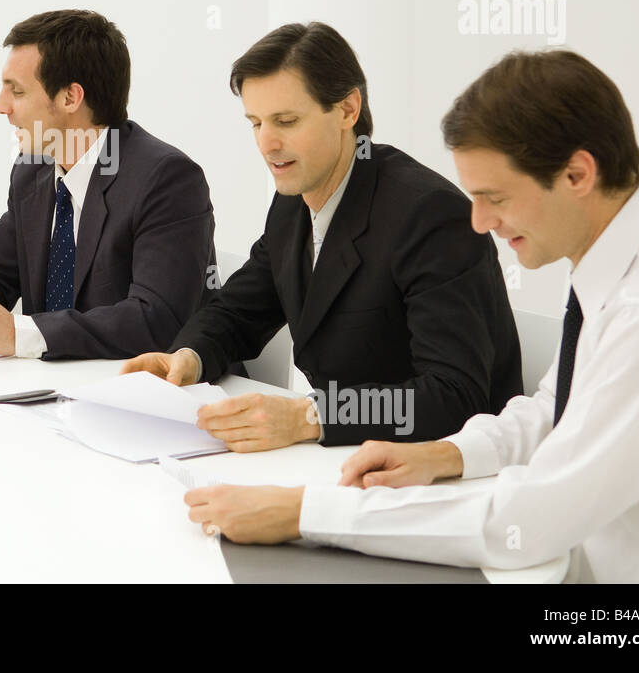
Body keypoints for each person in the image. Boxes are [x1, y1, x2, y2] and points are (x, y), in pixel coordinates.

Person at [183, 49, 639, 582]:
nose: (480, 222)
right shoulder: (622, 258)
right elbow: (557, 409)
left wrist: (303, 513)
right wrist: (447, 454)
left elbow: (529, 519)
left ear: (577, 173)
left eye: (494, 197)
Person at [124, 22, 522, 447]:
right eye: (255, 123)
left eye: (287, 121)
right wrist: (188, 358)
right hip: (348, 463)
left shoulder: (430, 216)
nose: (266, 143)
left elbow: (454, 396)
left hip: (445, 474)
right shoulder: (295, 200)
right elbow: (239, 312)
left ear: (348, 110)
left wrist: (309, 416)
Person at [0, 9, 215, 360]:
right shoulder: (32, 169)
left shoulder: (165, 178)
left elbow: (155, 319)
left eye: (16, 91)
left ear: (70, 98)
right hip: (55, 387)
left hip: (150, 390)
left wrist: (21, 334)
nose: (0, 106)